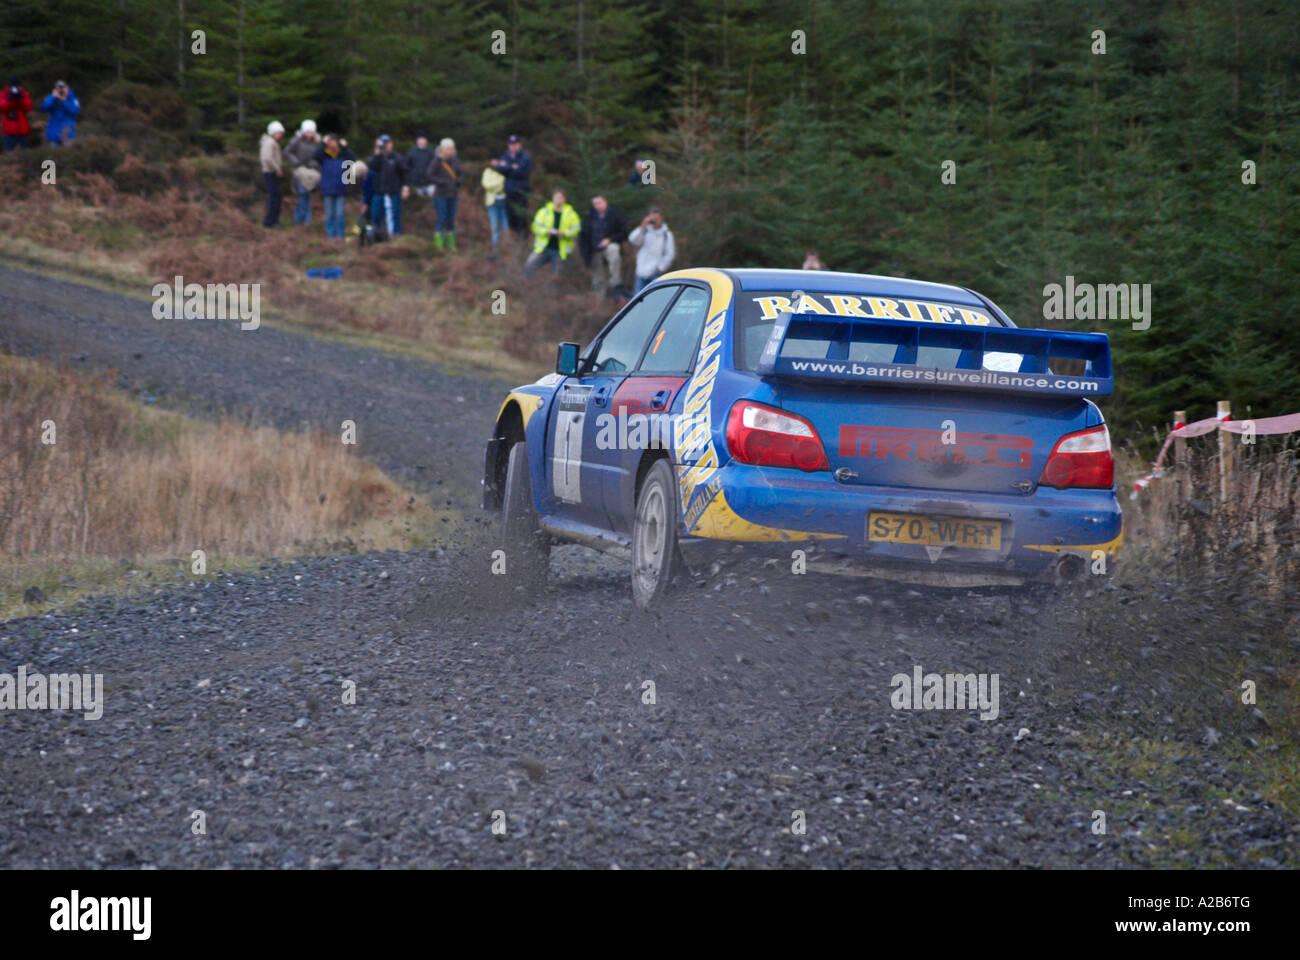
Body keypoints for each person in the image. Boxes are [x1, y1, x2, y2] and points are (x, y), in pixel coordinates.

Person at [578, 195, 629, 299]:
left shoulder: (615, 214)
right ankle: (600, 302)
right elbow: (583, 237)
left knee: (613, 249)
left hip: (609, 246)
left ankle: (616, 284)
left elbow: (624, 232)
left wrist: (610, 239)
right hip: (593, 250)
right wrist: (585, 254)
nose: (597, 205)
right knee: (598, 279)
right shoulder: (589, 217)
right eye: (595, 203)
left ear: (605, 202)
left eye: (599, 202)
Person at [524, 189, 581, 276]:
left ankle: (553, 289)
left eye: (560, 197)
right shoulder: (543, 212)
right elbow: (535, 227)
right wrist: (546, 231)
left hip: (560, 251)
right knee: (529, 266)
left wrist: (564, 233)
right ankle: (528, 285)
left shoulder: (572, 214)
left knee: (558, 275)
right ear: (553, 198)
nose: (558, 200)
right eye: (556, 197)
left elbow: (576, 230)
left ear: (564, 199)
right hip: (542, 248)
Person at [314, 133, 356, 240]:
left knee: (339, 214)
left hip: (341, 189)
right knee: (329, 214)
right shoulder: (324, 155)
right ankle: (331, 237)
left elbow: (352, 159)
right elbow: (315, 155)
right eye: (330, 142)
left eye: (334, 142)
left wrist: (345, 147)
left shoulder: (343, 155)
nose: (332, 144)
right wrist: (323, 144)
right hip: (327, 189)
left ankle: (340, 236)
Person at [627, 207, 676, 293]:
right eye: (652, 219)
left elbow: (670, 254)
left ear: (661, 218)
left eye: (656, 219)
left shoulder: (667, 235)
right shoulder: (645, 231)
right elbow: (633, 240)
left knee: (654, 298)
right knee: (638, 299)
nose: (654, 221)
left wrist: (660, 268)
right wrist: (642, 227)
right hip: (641, 272)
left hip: (656, 273)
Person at [491, 134, 532, 237]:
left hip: (521, 192)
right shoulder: (505, 156)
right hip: (509, 192)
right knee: (511, 217)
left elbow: (521, 172)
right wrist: (512, 167)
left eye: (515, 144)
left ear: (520, 145)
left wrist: (508, 168)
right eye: (511, 144)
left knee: (522, 217)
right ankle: (513, 242)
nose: (513, 146)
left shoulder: (525, 157)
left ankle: (524, 240)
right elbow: (500, 168)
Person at [368, 134, 407, 237]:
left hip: (393, 192)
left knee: (395, 216)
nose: (385, 146)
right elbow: (371, 167)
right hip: (379, 192)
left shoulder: (397, 158)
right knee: (375, 215)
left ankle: (395, 237)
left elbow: (404, 173)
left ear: (391, 144)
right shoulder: (377, 158)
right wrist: (377, 154)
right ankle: (377, 238)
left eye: (387, 143)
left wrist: (405, 187)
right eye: (383, 144)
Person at [427, 137, 462, 250]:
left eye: (451, 149)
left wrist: (458, 181)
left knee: (451, 220)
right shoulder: (437, 161)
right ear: (443, 149)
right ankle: (439, 245)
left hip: (453, 195)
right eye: (447, 149)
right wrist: (441, 182)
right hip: (441, 195)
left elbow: (460, 174)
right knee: (441, 219)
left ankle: (451, 244)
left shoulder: (455, 161)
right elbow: (429, 174)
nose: (450, 151)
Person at [284, 119, 320, 225]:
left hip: (311, 172)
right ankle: (299, 220)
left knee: (308, 195)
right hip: (299, 171)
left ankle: (306, 221)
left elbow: (319, 156)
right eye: (307, 132)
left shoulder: (317, 143)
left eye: (311, 132)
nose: (309, 134)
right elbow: (287, 152)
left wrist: (313, 163)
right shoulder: (296, 140)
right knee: (303, 194)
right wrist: (296, 162)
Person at [259, 120, 285, 228]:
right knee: (274, 198)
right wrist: (277, 169)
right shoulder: (269, 143)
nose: (280, 135)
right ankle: (270, 221)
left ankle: (273, 220)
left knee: (276, 197)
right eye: (278, 133)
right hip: (271, 173)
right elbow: (267, 158)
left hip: (272, 172)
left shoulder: (272, 142)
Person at [481, 155, 508, 256]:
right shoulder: (488, 171)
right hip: (492, 203)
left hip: (504, 203)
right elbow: (487, 185)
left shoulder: (505, 171)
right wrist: (500, 184)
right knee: (495, 228)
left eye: (498, 160)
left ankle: (507, 251)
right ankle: (495, 252)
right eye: (494, 160)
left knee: (506, 228)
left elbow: (505, 185)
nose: (496, 162)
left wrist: (495, 186)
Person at [40, 80, 79, 146]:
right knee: (54, 153)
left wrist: (63, 100)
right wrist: (52, 97)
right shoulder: (52, 98)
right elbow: (44, 107)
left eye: (62, 88)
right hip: (54, 132)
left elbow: (74, 111)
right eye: (58, 88)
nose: (61, 90)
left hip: (67, 132)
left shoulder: (73, 99)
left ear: (67, 88)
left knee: (68, 153)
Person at [1, 77, 33, 151]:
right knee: (10, 153)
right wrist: (10, 99)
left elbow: (28, 107)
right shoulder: (4, 94)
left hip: (22, 130)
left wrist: (20, 98)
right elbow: (2, 107)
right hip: (9, 131)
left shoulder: (24, 94)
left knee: (25, 153)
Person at [406, 132, 435, 203]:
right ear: (417, 140)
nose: (422, 141)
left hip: (429, 183)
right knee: (417, 203)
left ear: (426, 140)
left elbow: (435, 168)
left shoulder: (431, 152)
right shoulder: (412, 152)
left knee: (430, 203)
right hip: (416, 184)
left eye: (423, 139)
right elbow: (407, 167)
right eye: (420, 139)